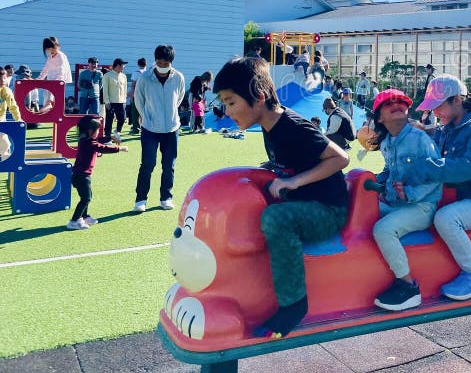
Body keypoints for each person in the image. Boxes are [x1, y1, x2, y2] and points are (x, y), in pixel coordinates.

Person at [213, 57, 349, 339]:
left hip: (327, 209)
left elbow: (340, 158)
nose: (227, 112)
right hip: (303, 202)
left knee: (276, 217)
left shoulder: (293, 127)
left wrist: (293, 181)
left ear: (259, 97)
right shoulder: (268, 124)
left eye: (231, 102)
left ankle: (293, 304)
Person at [410, 74, 471, 301]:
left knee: (445, 219)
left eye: (438, 106)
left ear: (457, 101)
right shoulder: (445, 128)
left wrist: (429, 168)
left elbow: (468, 167)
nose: (435, 113)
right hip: (456, 197)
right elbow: (431, 140)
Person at [370, 89, 441, 311]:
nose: (396, 103)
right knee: (362, 213)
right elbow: (389, 170)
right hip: (397, 204)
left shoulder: (420, 139)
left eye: (401, 101)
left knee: (383, 229)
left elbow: (436, 174)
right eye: (388, 103)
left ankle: (408, 285)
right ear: (380, 118)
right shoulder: (387, 143)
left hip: (421, 205)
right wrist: (378, 183)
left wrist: (409, 192)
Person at [133, 45, 185, 213]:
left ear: (171, 62)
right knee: (148, 164)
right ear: (155, 61)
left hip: (171, 128)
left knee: (169, 165)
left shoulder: (178, 78)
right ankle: (141, 199)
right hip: (150, 128)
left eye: (166, 63)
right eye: (159, 63)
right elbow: (138, 99)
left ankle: (166, 197)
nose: (162, 66)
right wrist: (146, 116)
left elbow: (179, 98)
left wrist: (170, 116)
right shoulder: (145, 78)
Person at [67, 115, 128, 230]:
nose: (98, 132)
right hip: (82, 176)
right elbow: (103, 148)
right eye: (97, 130)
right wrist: (120, 148)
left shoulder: (84, 140)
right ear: (90, 131)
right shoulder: (90, 143)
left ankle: (84, 216)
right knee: (86, 199)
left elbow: (99, 141)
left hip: (79, 175)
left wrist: (110, 138)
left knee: (87, 196)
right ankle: (74, 221)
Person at [38, 36, 72, 111]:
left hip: (59, 79)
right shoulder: (50, 57)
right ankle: (46, 107)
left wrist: (57, 81)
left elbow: (61, 70)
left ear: (57, 47)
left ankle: (49, 103)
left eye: (53, 49)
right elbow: (45, 69)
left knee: (52, 90)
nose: (51, 51)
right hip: (52, 77)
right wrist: (39, 79)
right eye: (49, 50)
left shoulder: (60, 56)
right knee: (46, 92)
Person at [102, 59, 128, 143]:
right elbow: (105, 90)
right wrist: (107, 102)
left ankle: (117, 132)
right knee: (109, 120)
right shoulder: (107, 75)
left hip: (121, 102)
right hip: (110, 102)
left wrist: (124, 101)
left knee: (123, 118)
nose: (123, 68)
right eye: (122, 65)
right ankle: (108, 138)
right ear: (117, 65)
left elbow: (125, 89)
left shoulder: (124, 76)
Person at [129, 58, 147, 133]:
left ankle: (136, 128)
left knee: (135, 112)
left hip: (137, 94)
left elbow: (133, 85)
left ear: (138, 64)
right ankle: (145, 128)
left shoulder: (136, 73)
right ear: (146, 64)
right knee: (145, 112)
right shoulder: (148, 73)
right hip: (146, 95)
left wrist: (131, 95)